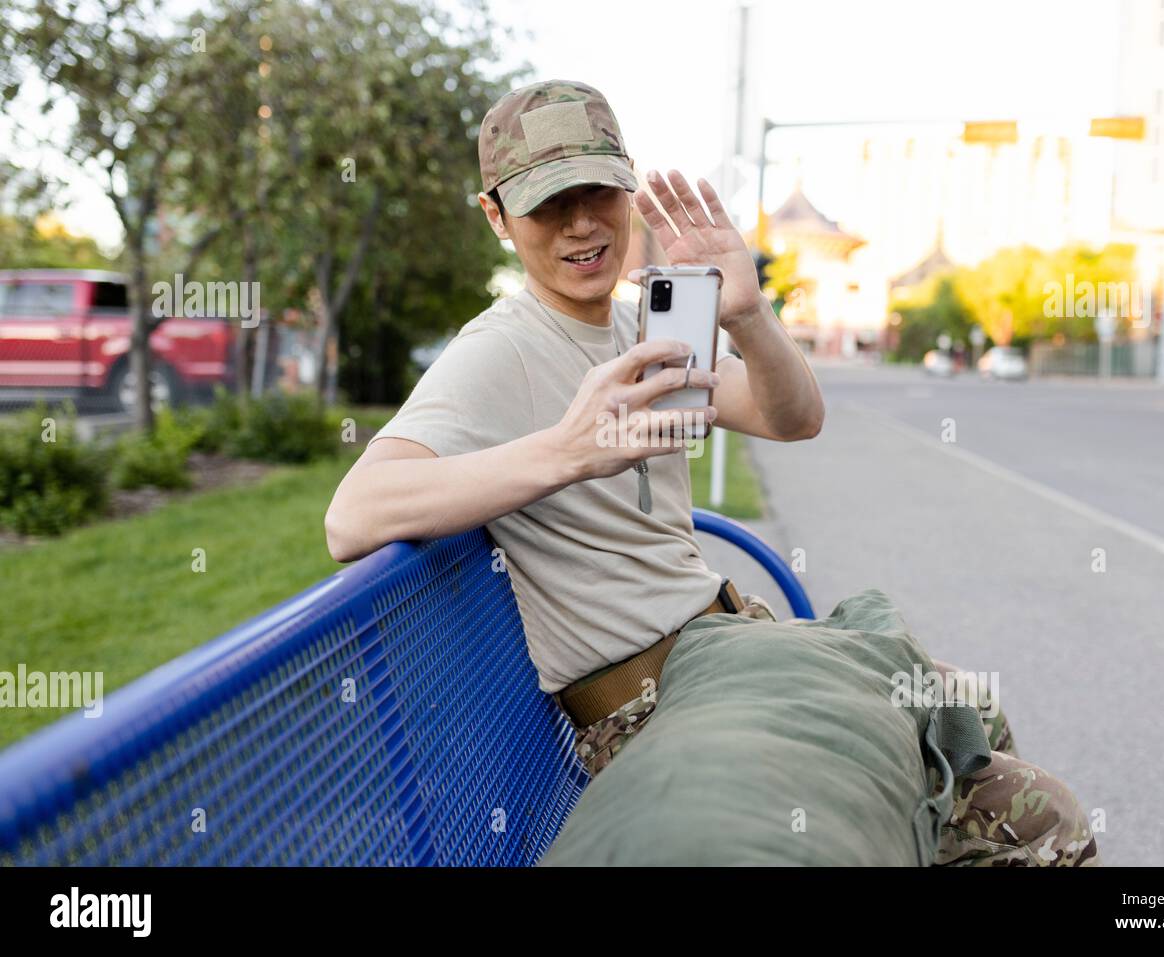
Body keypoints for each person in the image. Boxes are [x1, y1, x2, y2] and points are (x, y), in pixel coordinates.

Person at [324, 79, 1099, 867]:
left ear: (629, 186)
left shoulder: (648, 324)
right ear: (496, 217)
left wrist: (749, 317)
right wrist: (569, 448)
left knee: (972, 713)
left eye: (597, 191)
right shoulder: (500, 350)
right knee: (1046, 817)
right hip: (659, 707)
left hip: (735, 648)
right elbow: (352, 516)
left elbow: (793, 417)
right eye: (547, 202)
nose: (582, 223)